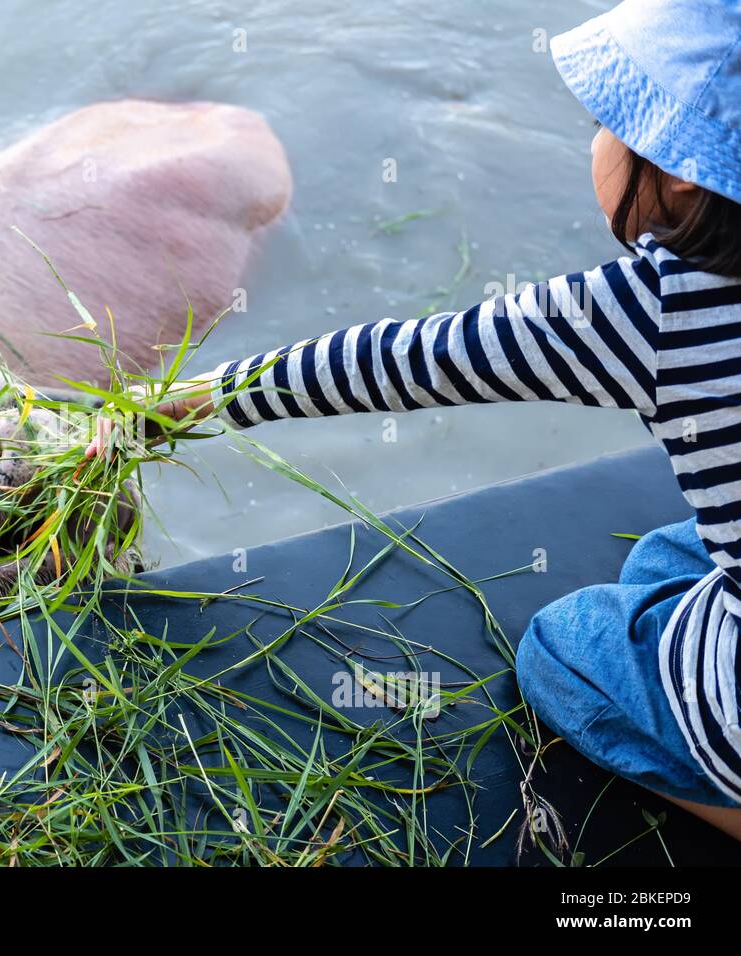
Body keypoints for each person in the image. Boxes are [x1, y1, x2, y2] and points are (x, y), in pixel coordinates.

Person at [89, 0, 741, 838]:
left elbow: (411, 359)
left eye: (605, 122)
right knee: (666, 556)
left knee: (563, 651)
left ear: (682, 173)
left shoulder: (653, 312)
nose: (593, 144)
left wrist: (215, 395)